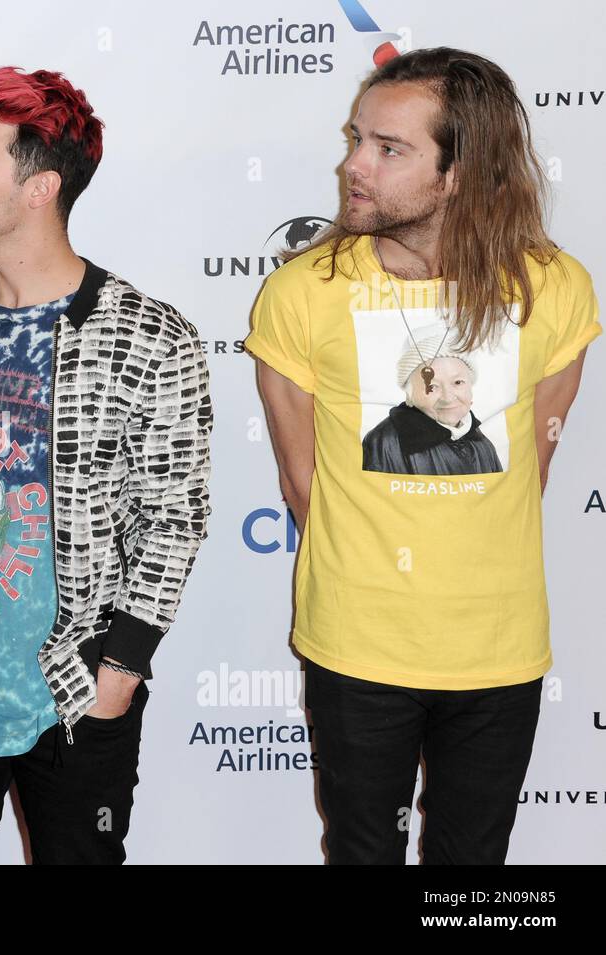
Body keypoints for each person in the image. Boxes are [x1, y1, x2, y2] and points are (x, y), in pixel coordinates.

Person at [245, 47, 600, 863]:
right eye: (356, 139)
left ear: (460, 171)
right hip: (356, 640)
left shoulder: (556, 288)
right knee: (362, 852)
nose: (353, 165)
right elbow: (302, 483)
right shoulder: (303, 292)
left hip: (499, 643)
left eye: (388, 148)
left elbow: (532, 459)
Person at [0, 67, 213, 865]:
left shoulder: (147, 334)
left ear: (40, 188)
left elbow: (174, 517)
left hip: (72, 692)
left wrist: (120, 673)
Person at [362, 334, 502, 475]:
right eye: (432, 386)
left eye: (458, 382)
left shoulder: (482, 444)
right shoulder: (384, 443)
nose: (447, 397)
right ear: (409, 396)